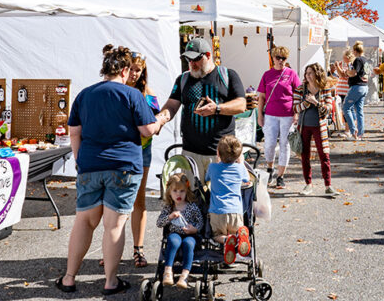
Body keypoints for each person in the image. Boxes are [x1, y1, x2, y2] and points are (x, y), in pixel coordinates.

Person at [57, 47, 167, 297]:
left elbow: (74, 132)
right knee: (113, 225)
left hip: (90, 165)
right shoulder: (132, 94)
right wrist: (161, 119)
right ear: (125, 70)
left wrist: (80, 160)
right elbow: (147, 130)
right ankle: (110, 281)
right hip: (123, 167)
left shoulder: (85, 94)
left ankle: (69, 277)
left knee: (84, 221)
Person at [156, 38, 247, 181]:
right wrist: (160, 119)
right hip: (191, 153)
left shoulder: (227, 75)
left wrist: (217, 108)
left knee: (219, 194)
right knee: (192, 194)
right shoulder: (183, 79)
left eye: (196, 59)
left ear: (208, 55)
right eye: (188, 59)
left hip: (221, 154)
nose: (192, 63)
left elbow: (241, 105)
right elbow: (171, 106)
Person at [125, 52, 160, 269]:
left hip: (142, 150)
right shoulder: (117, 89)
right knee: (116, 202)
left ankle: (138, 249)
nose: (134, 74)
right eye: (131, 69)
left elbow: (156, 122)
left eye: (138, 70)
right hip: (120, 150)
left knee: (139, 199)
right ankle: (112, 249)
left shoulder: (148, 93)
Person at [256, 46, 301, 190]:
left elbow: (298, 95)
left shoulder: (291, 73)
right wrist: (260, 115)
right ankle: (270, 168)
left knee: (284, 145)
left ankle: (281, 176)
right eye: (278, 58)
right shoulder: (267, 74)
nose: (281, 60)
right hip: (270, 115)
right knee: (269, 144)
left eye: (284, 58)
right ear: (273, 58)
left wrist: (296, 113)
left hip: (288, 115)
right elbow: (262, 97)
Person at [206, 135, 251, 265]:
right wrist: (241, 162)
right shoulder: (240, 168)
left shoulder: (212, 167)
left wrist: (217, 161)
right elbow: (247, 179)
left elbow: (206, 179)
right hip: (235, 211)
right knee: (235, 231)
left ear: (218, 153)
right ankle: (239, 236)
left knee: (215, 236)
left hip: (217, 211)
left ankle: (226, 240)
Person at [293, 63, 336, 195]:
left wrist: (316, 102)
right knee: (304, 156)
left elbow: (328, 109)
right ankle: (308, 185)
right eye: (306, 73)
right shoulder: (300, 89)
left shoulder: (325, 89)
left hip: (320, 127)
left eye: (310, 73)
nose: (307, 76)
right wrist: (307, 102)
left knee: (324, 155)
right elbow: (295, 108)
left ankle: (328, 185)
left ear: (317, 74)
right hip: (304, 126)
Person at [155, 172, 203, 289]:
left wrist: (194, 229)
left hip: (190, 234)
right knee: (173, 241)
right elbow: (159, 223)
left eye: (182, 191)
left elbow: (200, 221)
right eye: (175, 191)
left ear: (187, 192)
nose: (178, 194)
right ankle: (168, 271)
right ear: (169, 192)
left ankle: (184, 275)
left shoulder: (191, 206)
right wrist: (169, 217)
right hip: (175, 233)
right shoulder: (169, 207)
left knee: (188, 243)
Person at [341, 41, 370, 140]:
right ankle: (360, 134)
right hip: (364, 86)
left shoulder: (358, 60)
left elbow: (354, 73)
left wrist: (347, 72)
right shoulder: (366, 60)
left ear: (355, 51)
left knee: (346, 107)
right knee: (359, 110)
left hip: (357, 87)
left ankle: (353, 132)